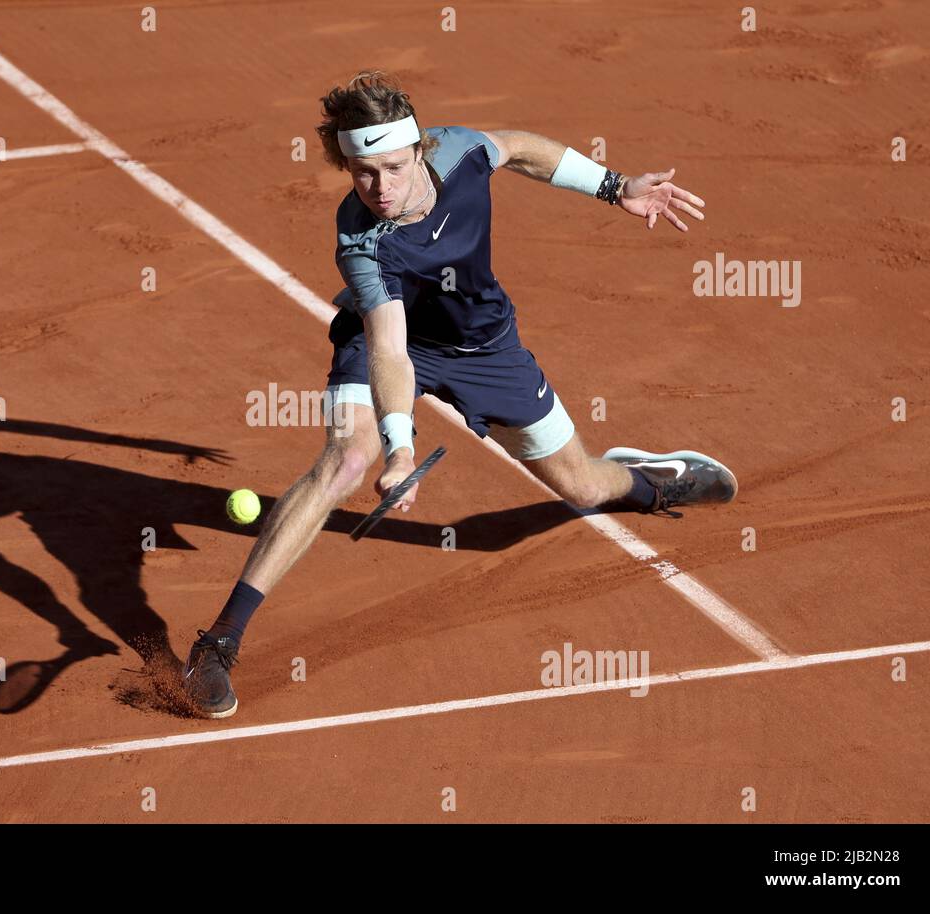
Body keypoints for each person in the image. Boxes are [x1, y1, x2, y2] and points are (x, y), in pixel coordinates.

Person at [180, 71, 735, 718]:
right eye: (361, 173)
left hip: (484, 348)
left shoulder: (462, 151)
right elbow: (389, 349)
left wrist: (615, 189)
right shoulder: (362, 239)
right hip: (392, 338)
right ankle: (219, 643)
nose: (378, 188)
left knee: (584, 487)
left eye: (391, 167)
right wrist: (396, 450)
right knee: (346, 460)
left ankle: (649, 482)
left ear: (420, 149)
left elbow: (522, 147)